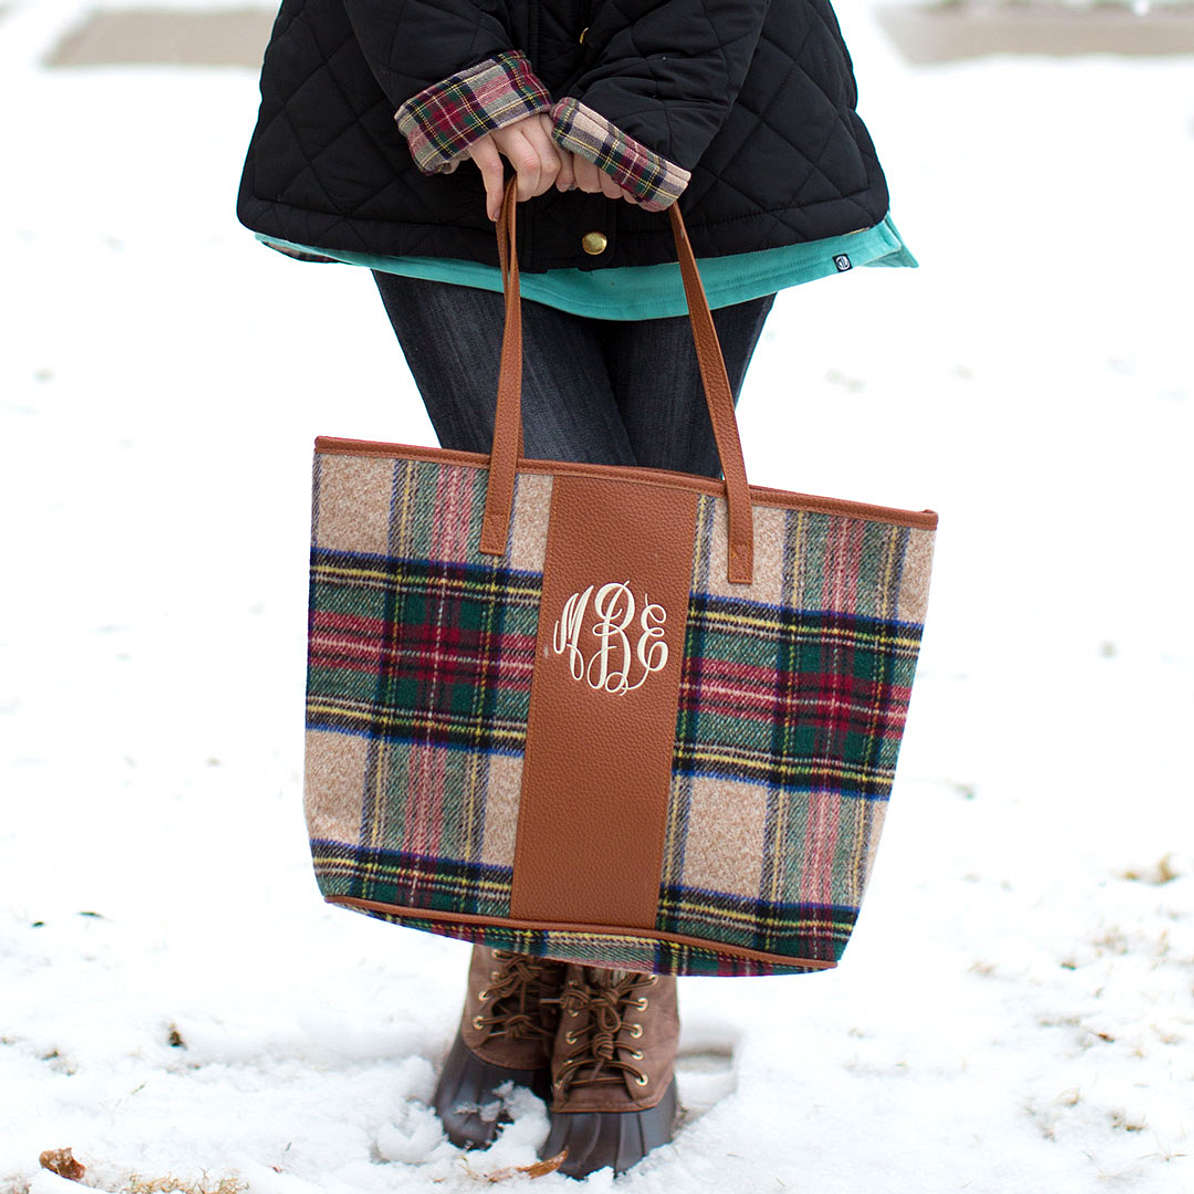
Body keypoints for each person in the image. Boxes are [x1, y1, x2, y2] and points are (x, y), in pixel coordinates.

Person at [236, 0, 916, 1179]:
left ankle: (613, 959)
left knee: (640, 586)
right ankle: (530, 932)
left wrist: (648, 103)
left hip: (711, 120)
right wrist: (457, 72)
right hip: (438, 139)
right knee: (544, 572)